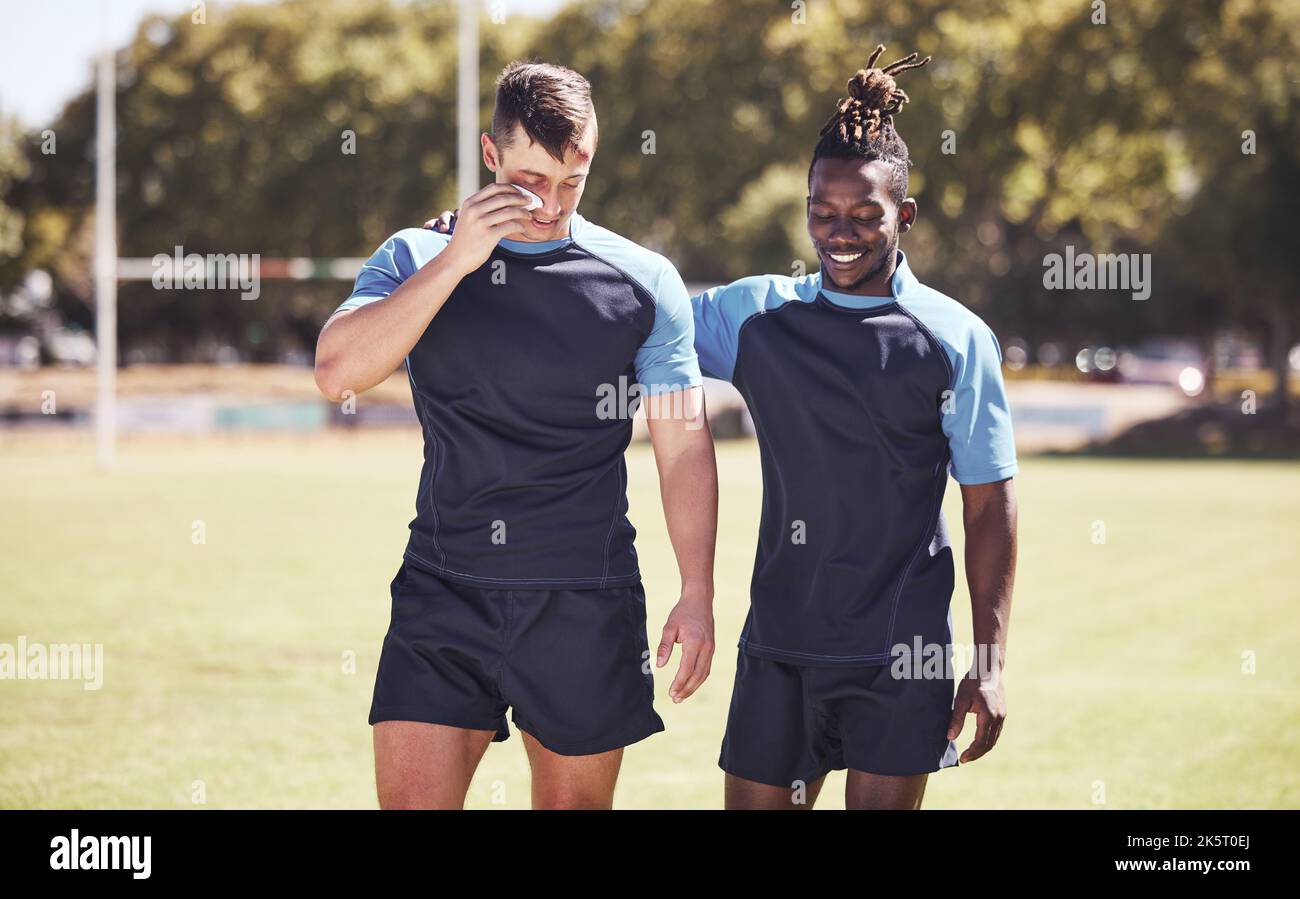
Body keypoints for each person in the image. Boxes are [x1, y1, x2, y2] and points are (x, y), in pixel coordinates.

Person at [315, 61, 718, 810]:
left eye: (574, 181)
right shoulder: (415, 256)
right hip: (443, 589)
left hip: (584, 599)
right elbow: (338, 371)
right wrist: (459, 260)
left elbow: (684, 446)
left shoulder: (642, 280)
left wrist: (696, 591)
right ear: (490, 155)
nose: (552, 203)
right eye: (533, 179)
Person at [691, 47, 1019, 809]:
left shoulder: (954, 337)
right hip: (778, 642)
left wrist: (989, 661)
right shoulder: (755, 316)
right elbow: (637, 303)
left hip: (899, 653)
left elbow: (989, 506)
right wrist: (486, 239)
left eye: (866, 216)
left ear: (903, 214)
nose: (841, 233)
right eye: (823, 213)